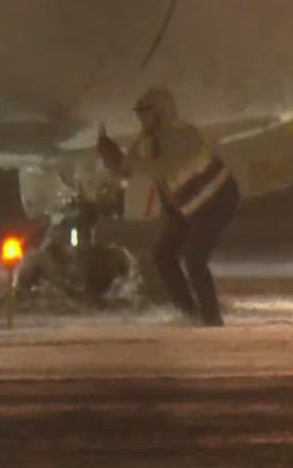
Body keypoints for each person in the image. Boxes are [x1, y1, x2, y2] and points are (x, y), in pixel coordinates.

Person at [96, 88, 238, 326]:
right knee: (163, 256)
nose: (142, 119)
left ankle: (212, 318)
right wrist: (112, 159)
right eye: (140, 114)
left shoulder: (184, 134)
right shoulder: (146, 141)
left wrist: (125, 162)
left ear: (162, 112)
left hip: (216, 201)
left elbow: (164, 166)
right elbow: (128, 170)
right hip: (186, 207)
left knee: (195, 258)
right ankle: (188, 312)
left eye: (147, 113)